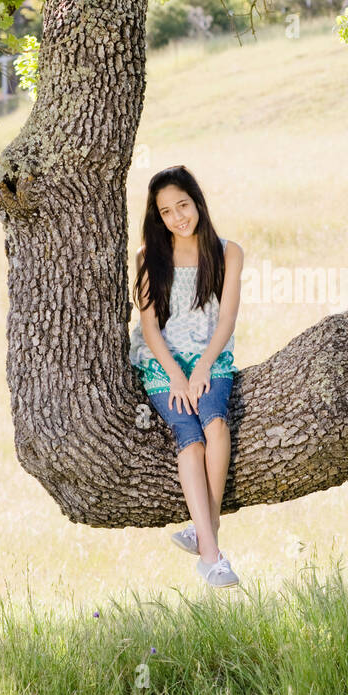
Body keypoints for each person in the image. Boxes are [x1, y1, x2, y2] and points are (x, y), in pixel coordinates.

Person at [128, 165, 244, 589]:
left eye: (183, 205)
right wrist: (177, 376)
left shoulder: (228, 251)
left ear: (197, 202)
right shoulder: (147, 258)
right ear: (157, 217)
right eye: (166, 212)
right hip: (164, 365)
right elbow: (150, 327)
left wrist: (201, 368)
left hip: (212, 361)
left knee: (215, 425)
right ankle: (212, 558)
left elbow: (226, 319)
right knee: (189, 438)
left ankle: (202, 528)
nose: (178, 217)